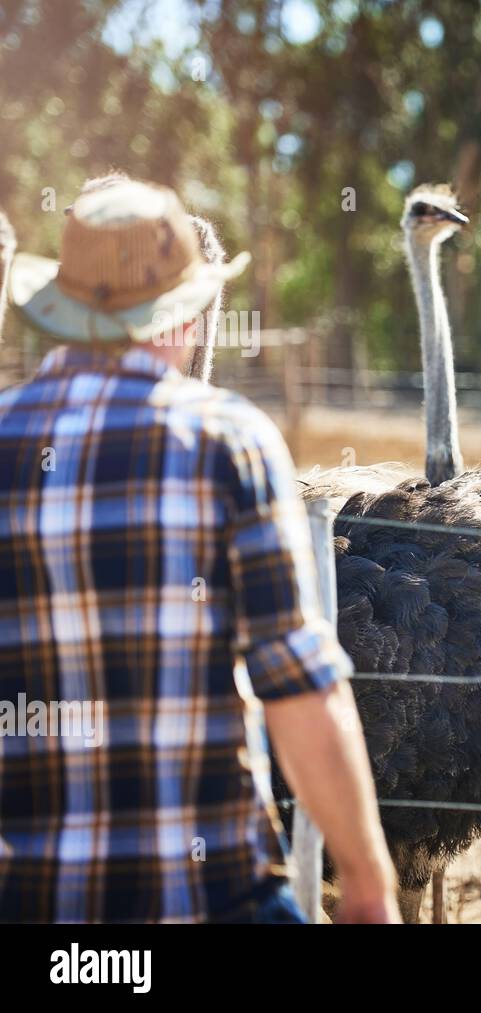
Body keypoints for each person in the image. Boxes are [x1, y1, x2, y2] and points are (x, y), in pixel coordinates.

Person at [0, 178, 398, 923]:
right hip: (207, 896)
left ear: (64, 307)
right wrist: (368, 883)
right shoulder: (229, 442)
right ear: (182, 315)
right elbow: (296, 683)